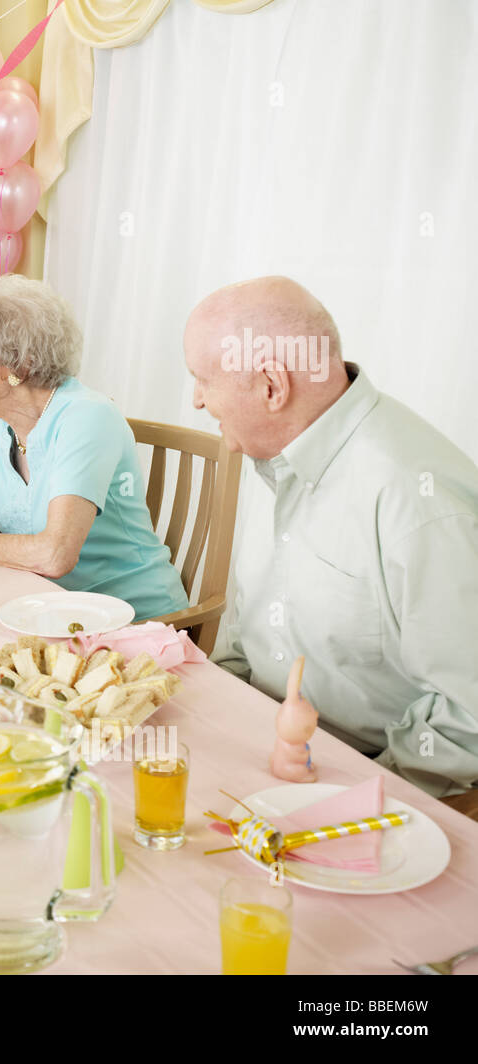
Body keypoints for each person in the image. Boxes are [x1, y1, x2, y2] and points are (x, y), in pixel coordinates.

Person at [183, 275, 478, 813]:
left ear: (272, 387)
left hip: (367, 783)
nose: (197, 399)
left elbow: (469, 715)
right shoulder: (280, 452)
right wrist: (209, 721)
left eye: (202, 379)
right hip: (263, 750)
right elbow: (245, 645)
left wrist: (347, 810)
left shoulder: (417, 499)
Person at [0, 275, 188, 623]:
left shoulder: (86, 417)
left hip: (131, 621)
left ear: (19, 364)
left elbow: (54, 556)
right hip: (42, 609)